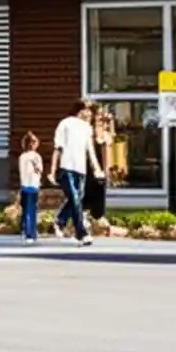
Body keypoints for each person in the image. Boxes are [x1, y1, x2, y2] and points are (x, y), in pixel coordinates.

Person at [50, 99, 105, 246]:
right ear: (79, 111)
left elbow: (90, 150)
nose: (89, 114)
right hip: (67, 167)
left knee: (77, 199)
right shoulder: (65, 124)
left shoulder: (87, 128)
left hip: (81, 169)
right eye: (87, 110)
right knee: (75, 198)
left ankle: (60, 220)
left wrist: (97, 168)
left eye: (90, 111)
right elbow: (58, 147)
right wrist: (52, 170)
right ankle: (82, 234)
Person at [84, 105, 113, 225]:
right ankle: (86, 214)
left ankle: (98, 215)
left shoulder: (102, 130)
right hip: (89, 162)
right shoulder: (88, 129)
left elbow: (110, 139)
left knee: (100, 188)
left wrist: (110, 124)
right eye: (99, 114)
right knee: (89, 187)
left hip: (100, 161)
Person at [17, 131, 43, 244]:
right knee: (31, 210)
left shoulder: (22, 156)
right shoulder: (36, 157)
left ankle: (29, 231)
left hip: (26, 185)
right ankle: (30, 233)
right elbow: (39, 170)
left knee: (28, 209)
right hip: (32, 185)